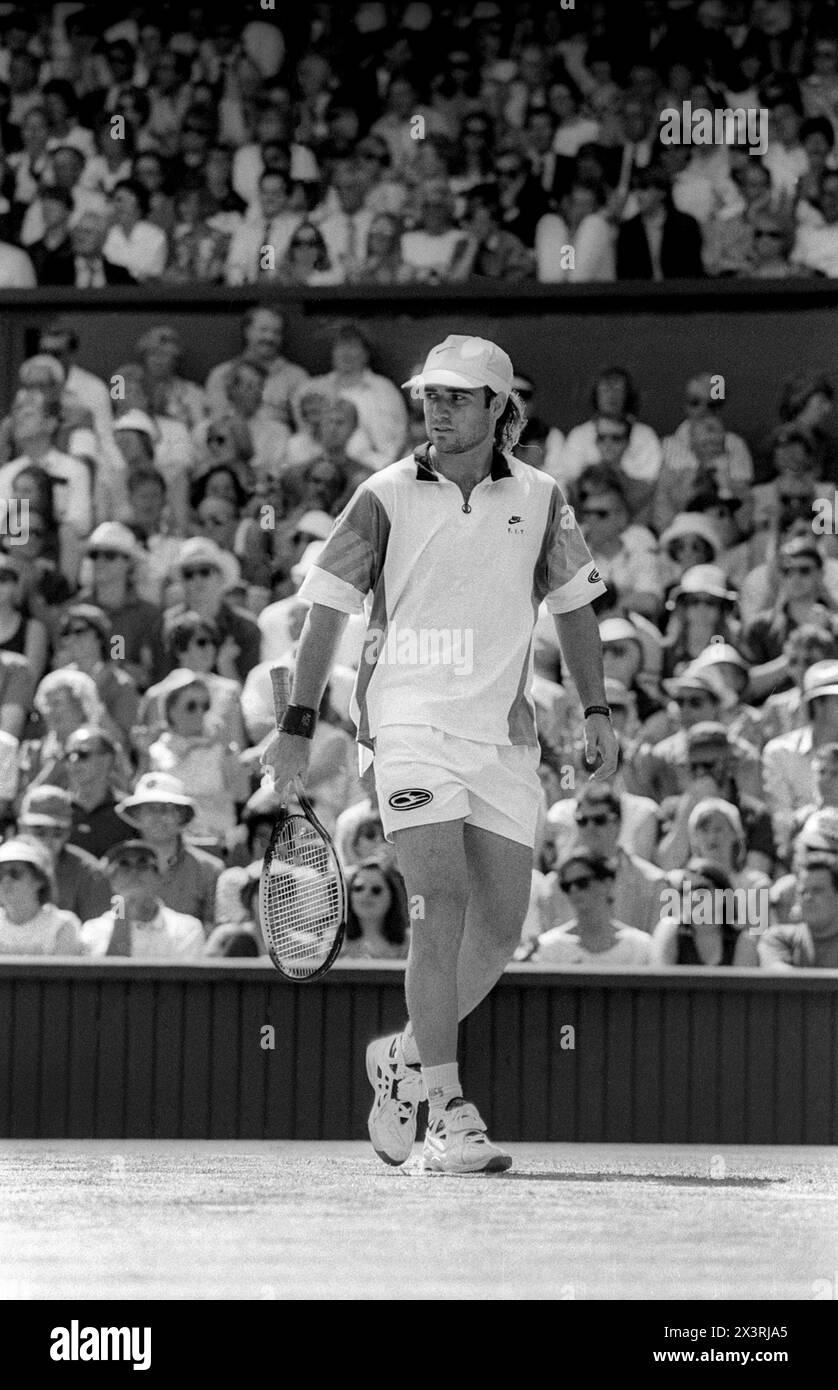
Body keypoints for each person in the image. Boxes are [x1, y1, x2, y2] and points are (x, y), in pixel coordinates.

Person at [261, 333, 618, 1175]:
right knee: (439, 901)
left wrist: (596, 706)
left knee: (500, 926)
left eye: (460, 396)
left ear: (500, 408)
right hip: (408, 722)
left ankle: (405, 1058)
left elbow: (573, 607)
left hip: (502, 736)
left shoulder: (544, 495)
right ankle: (451, 1114)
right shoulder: (381, 494)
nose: (440, 408)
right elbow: (327, 610)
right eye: (431, 395)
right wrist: (298, 722)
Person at [114, 771, 223, 930]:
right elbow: (110, 921)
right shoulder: (115, 864)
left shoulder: (209, 870)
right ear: (137, 815)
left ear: (182, 815)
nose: (158, 816)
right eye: (150, 809)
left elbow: (213, 930)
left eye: (166, 808)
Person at [81, 839, 206, 958]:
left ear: (160, 877)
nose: (134, 871)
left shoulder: (187, 928)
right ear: (111, 881)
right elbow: (108, 976)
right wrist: (121, 911)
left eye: (143, 863)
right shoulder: (93, 929)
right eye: (123, 864)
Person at [529, 849, 653, 966]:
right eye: (566, 886)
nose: (573, 890)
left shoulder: (641, 946)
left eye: (582, 883)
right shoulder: (550, 946)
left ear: (607, 884)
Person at [16, 783, 112, 923]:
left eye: (57, 832)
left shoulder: (90, 873)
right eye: (39, 831)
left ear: (68, 832)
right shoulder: (4, 865)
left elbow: (98, 933)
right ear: (21, 828)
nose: (47, 840)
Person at [650, 858, 761, 967]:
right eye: (684, 890)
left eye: (700, 888)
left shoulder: (744, 940)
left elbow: (742, 985)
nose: (692, 896)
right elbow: (659, 982)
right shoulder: (670, 929)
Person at [0, 836, 82, 955]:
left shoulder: (62, 925)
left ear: (39, 879)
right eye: (0, 873)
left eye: (15, 873)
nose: (6, 880)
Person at [758, 856, 838, 969]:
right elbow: (782, 980)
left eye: (817, 890)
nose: (808, 897)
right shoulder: (779, 938)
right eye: (802, 891)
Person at [343, 857, 410, 960]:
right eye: (358, 888)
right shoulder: (334, 942)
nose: (366, 894)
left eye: (376, 890)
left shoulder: (410, 944)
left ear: (392, 896)